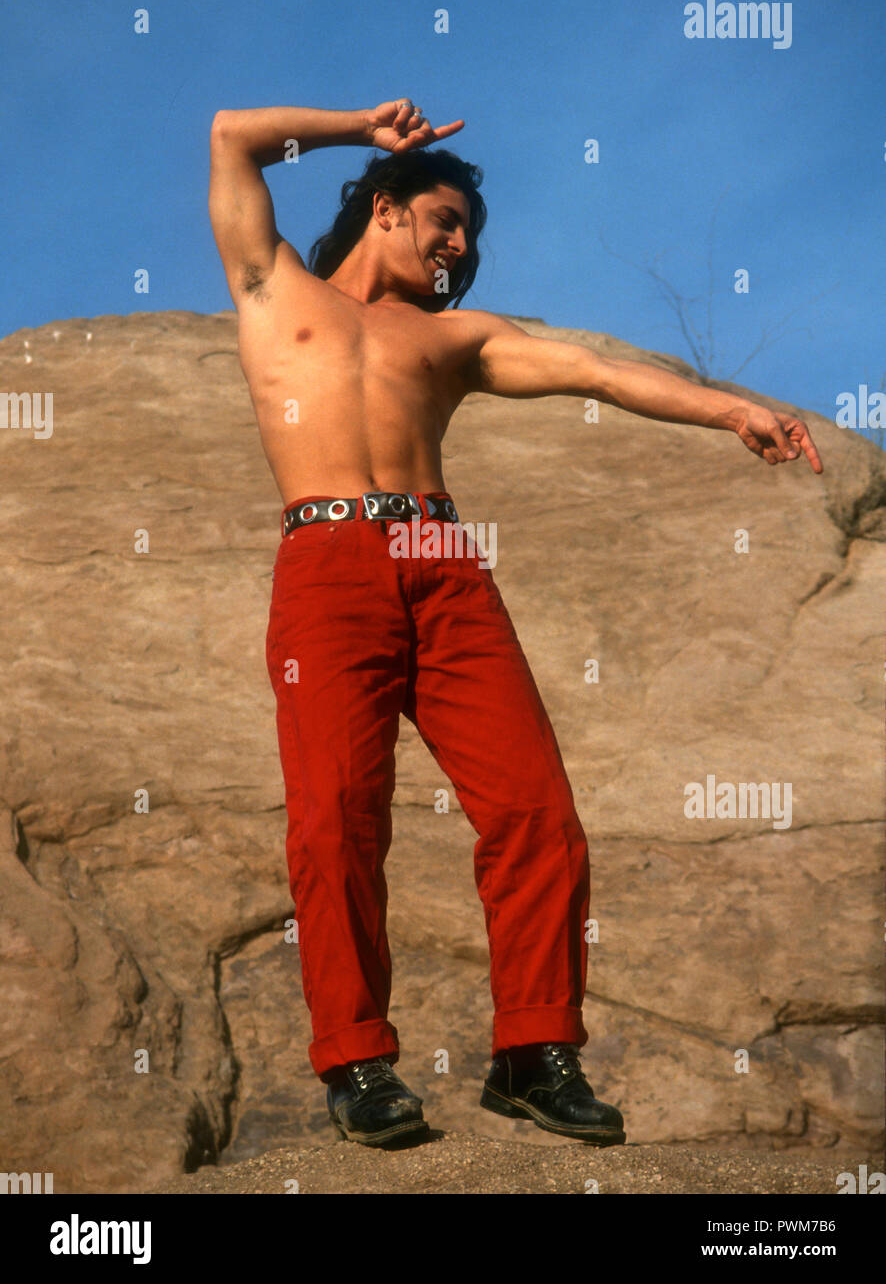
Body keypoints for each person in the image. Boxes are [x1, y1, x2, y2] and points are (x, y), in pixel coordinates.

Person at [208, 97, 823, 1150]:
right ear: (387, 210)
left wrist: (731, 408)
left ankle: (532, 1055)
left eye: (470, 235)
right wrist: (367, 127)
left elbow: (595, 373)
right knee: (333, 821)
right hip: (328, 563)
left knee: (537, 809)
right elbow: (233, 136)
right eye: (446, 221)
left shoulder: (457, 337)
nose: (461, 245)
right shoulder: (275, 287)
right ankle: (357, 1063)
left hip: (441, 564)